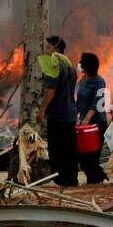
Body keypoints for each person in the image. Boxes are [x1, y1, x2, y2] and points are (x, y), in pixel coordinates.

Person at [37, 35, 78, 187]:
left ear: (57, 49)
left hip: (58, 115)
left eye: (48, 47)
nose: (46, 50)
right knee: (69, 148)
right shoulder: (71, 67)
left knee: (56, 149)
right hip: (70, 114)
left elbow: (51, 89)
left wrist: (42, 110)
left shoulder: (54, 65)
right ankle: (72, 179)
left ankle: (60, 179)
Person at [75, 52, 108, 184]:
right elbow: (79, 100)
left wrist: (87, 118)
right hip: (83, 123)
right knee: (82, 155)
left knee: (93, 155)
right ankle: (98, 176)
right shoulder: (83, 80)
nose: (79, 63)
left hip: (96, 123)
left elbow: (98, 101)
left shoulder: (99, 81)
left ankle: (94, 181)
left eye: (82, 61)